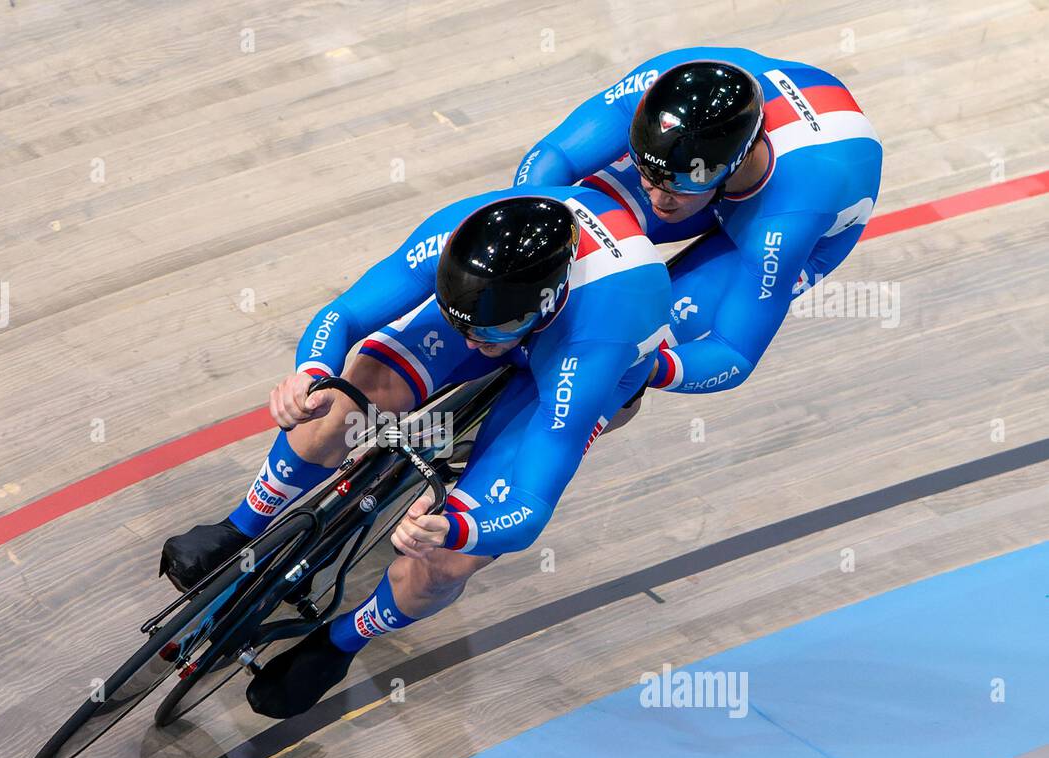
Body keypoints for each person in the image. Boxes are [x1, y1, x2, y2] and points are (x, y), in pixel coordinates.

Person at [160, 187, 672, 717]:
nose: (473, 342)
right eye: (463, 324)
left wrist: (455, 530)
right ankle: (241, 526)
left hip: (577, 353)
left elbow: (530, 508)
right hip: (513, 311)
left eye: (487, 332)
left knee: (444, 562)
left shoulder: (595, 346)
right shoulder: (456, 235)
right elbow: (345, 316)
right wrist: (311, 377)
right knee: (330, 414)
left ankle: (341, 641)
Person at [514, 48, 882, 404]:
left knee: (625, 347)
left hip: (792, 213)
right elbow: (555, 157)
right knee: (568, 223)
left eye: (674, 188)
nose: (657, 198)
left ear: (734, 168)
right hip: (714, 172)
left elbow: (733, 352)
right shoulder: (661, 86)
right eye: (647, 174)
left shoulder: (784, 228)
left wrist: (648, 368)